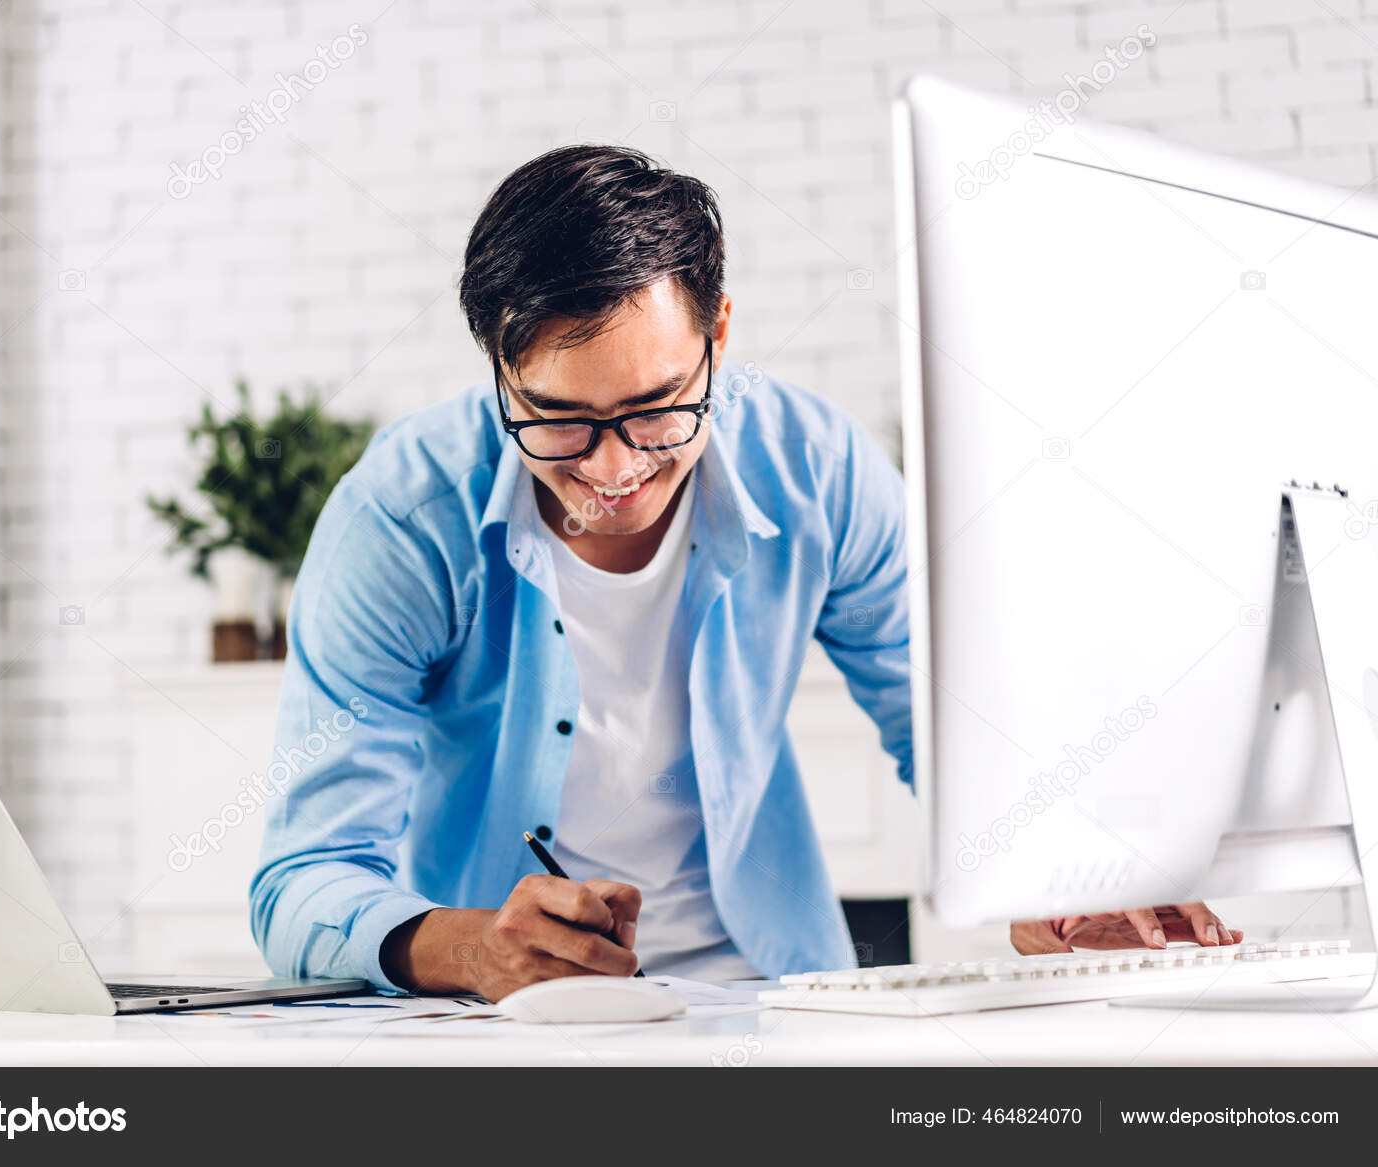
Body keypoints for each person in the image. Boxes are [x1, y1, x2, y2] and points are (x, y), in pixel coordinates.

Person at [249, 145, 1239, 1001]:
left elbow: (956, 738)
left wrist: (1058, 881)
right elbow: (301, 881)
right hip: (494, 1023)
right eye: (556, 418)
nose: (612, 466)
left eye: (654, 408)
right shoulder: (402, 518)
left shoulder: (820, 470)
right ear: (496, 371)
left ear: (717, 336)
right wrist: (476, 951)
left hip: (776, 1001)